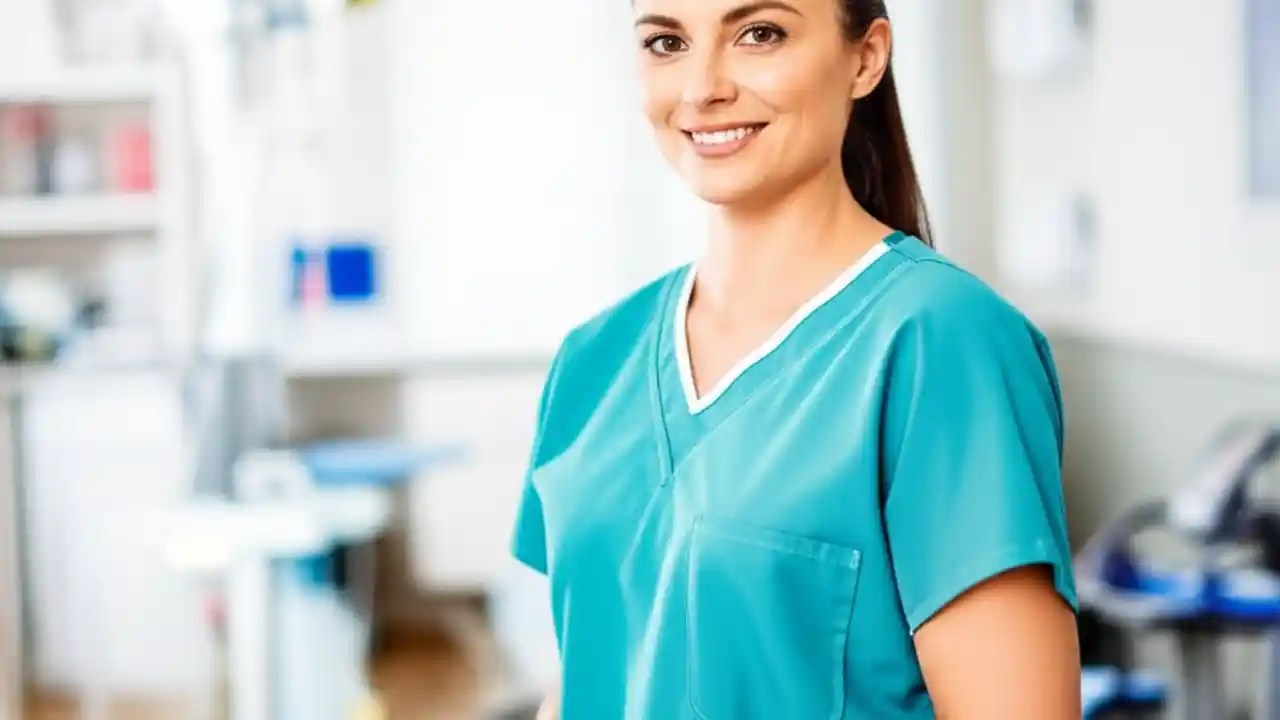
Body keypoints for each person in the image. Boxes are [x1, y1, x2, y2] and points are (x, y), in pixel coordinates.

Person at [510, 0, 1082, 717]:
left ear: (865, 58)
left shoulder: (941, 342)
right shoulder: (593, 360)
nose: (701, 87)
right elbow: (588, 677)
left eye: (760, 34)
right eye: (666, 42)